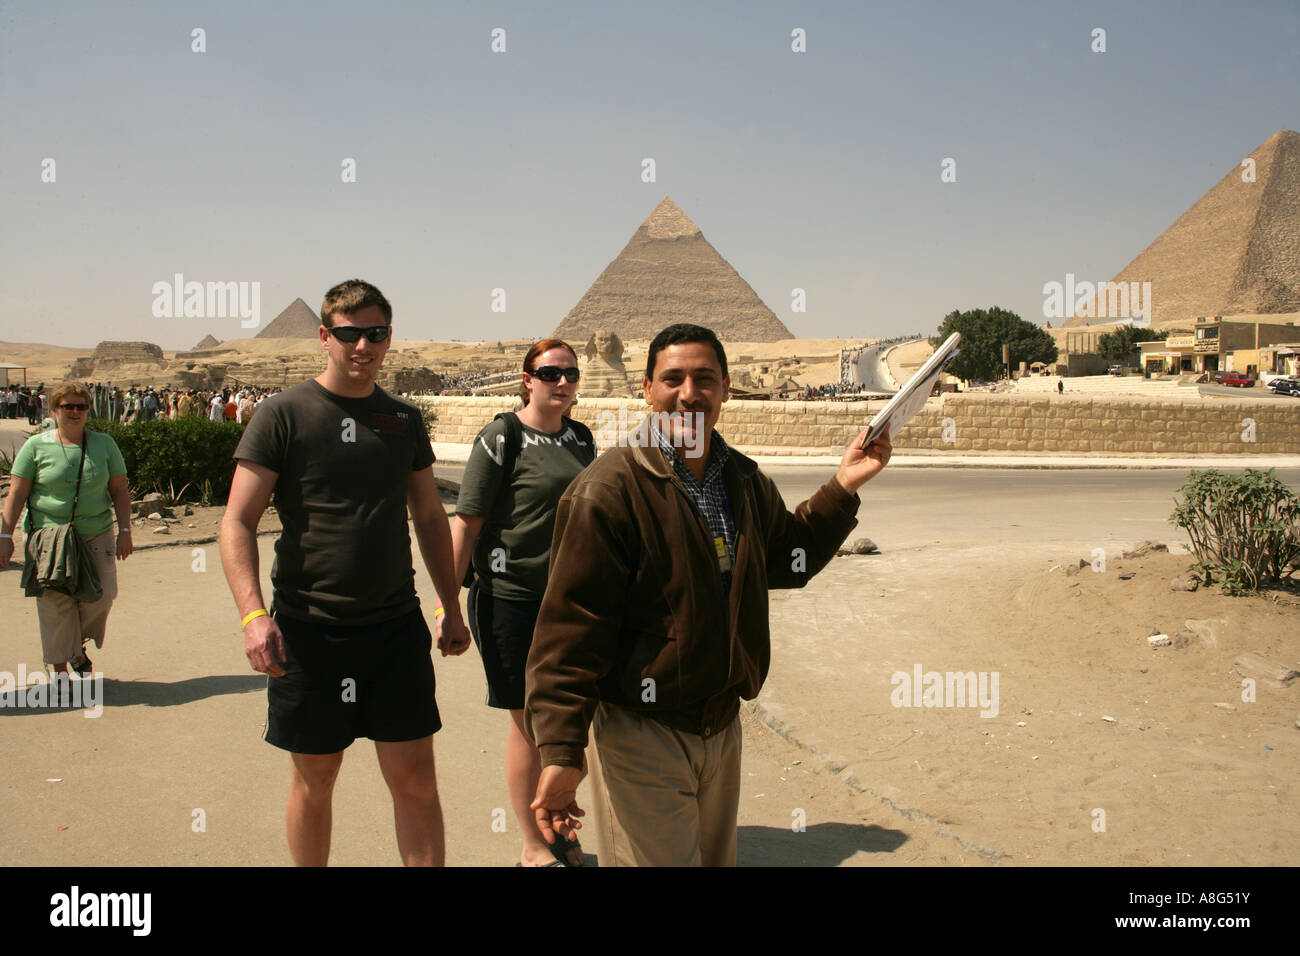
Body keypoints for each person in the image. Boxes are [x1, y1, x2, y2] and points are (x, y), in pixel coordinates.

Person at [525, 323, 892, 867]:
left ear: (725, 389)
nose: (689, 393)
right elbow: (571, 628)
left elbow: (788, 559)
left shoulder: (741, 479)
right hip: (642, 728)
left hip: (720, 726)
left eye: (704, 379)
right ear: (646, 388)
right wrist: (560, 749)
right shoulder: (608, 491)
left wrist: (842, 487)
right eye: (673, 378)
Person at [219, 279, 471, 867]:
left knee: (415, 781)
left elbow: (431, 518)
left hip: (393, 628)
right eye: (350, 333)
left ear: (389, 338)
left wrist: (451, 607)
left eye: (376, 333)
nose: (364, 346)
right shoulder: (282, 415)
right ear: (324, 335)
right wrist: (253, 616)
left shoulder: (402, 420)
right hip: (309, 629)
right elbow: (237, 521)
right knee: (316, 780)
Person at [437, 338, 595, 867]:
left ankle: (558, 827)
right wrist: (446, 607)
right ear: (526, 379)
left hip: (567, 603)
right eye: (550, 373)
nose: (562, 382)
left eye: (571, 372)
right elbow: (467, 523)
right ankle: (532, 844)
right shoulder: (500, 437)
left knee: (567, 724)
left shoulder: (581, 438)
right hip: (509, 600)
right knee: (529, 725)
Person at [0, 383, 133, 674]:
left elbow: (119, 489)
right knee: (54, 603)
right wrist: (5, 535)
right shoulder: (36, 446)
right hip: (48, 536)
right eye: (68, 406)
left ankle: (74, 646)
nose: (75, 412)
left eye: (81, 406)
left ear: (88, 410)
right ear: (54, 409)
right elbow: (17, 493)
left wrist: (125, 530)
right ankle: (60, 671)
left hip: (96, 533)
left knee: (102, 595)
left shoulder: (104, 444)